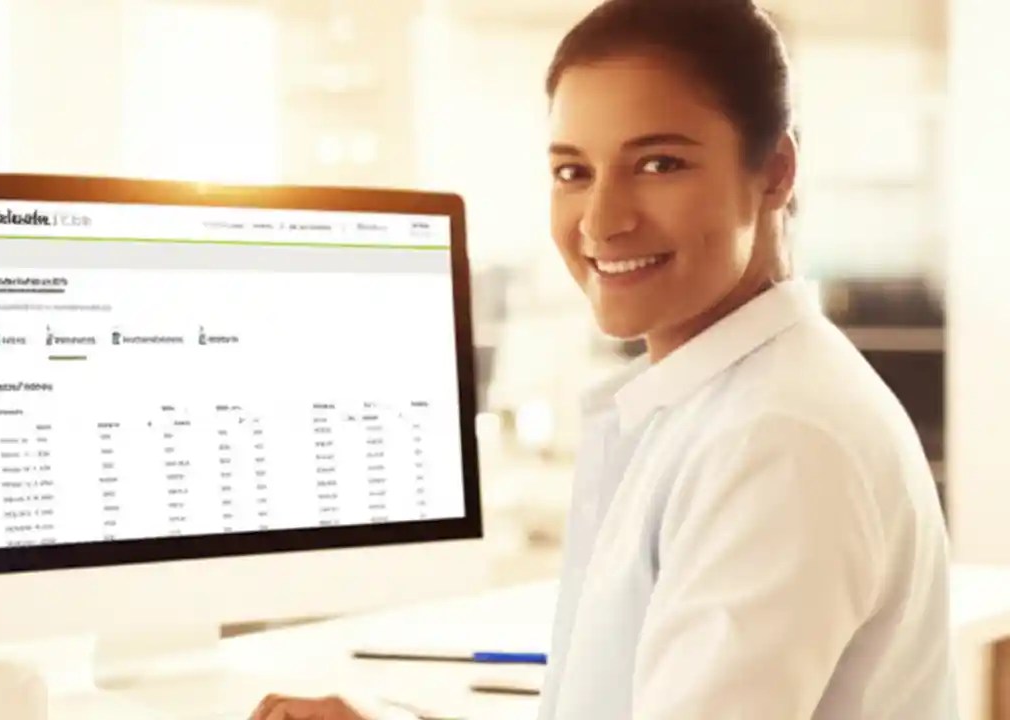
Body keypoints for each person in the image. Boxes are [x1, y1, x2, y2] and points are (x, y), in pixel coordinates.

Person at [250, 0, 957, 717]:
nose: (601, 220)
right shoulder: (719, 402)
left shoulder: (777, 439)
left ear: (775, 172)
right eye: (573, 172)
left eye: (658, 164)